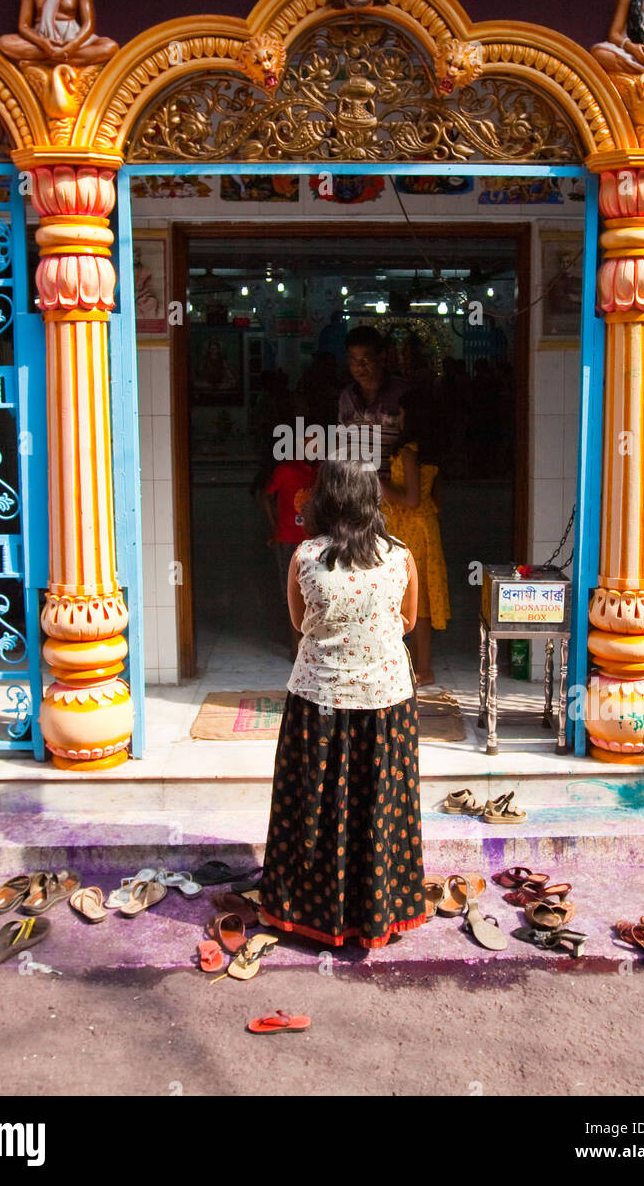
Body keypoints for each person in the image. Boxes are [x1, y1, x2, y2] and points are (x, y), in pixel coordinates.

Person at [259, 459, 426, 949]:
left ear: (326, 499)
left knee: (314, 805)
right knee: (379, 809)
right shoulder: (401, 556)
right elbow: (409, 622)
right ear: (372, 500)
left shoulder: (305, 556)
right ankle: (379, 912)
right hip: (387, 703)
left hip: (318, 702)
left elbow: (297, 621)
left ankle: (312, 914)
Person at [380, 389, 450, 686]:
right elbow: (435, 499)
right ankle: (421, 665)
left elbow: (409, 499)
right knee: (420, 599)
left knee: (409, 599)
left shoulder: (408, 452)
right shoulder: (430, 451)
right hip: (426, 528)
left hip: (407, 528)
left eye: (402, 412)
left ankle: (422, 669)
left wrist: (381, 486)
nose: (398, 417)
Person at [261, 437, 319, 657]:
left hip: (315, 542)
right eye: (308, 443)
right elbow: (266, 496)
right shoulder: (286, 469)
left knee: (315, 593)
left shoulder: (321, 470)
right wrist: (275, 528)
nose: (312, 448)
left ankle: (311, 646)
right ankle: (297, 649)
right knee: (291, 596)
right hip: (287, 541)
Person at [338, 325, 409, 475]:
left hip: (393, 492)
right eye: (353, 360)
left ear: (381, 357)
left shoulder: (403, 393)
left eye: (366, 359)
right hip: (355, 489)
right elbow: (342, 443)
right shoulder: (347, 397)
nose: (359, 367)